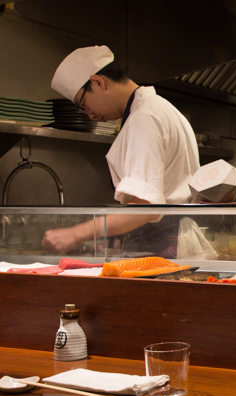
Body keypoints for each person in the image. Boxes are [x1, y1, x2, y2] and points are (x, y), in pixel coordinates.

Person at [42, 45, 200, 255]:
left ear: (98, 82)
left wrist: (74, 234)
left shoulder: (144, 117)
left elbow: (145, 207)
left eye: (83, 104)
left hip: (161, 247)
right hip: (172, 242)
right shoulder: (161, 107)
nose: (89, 115)